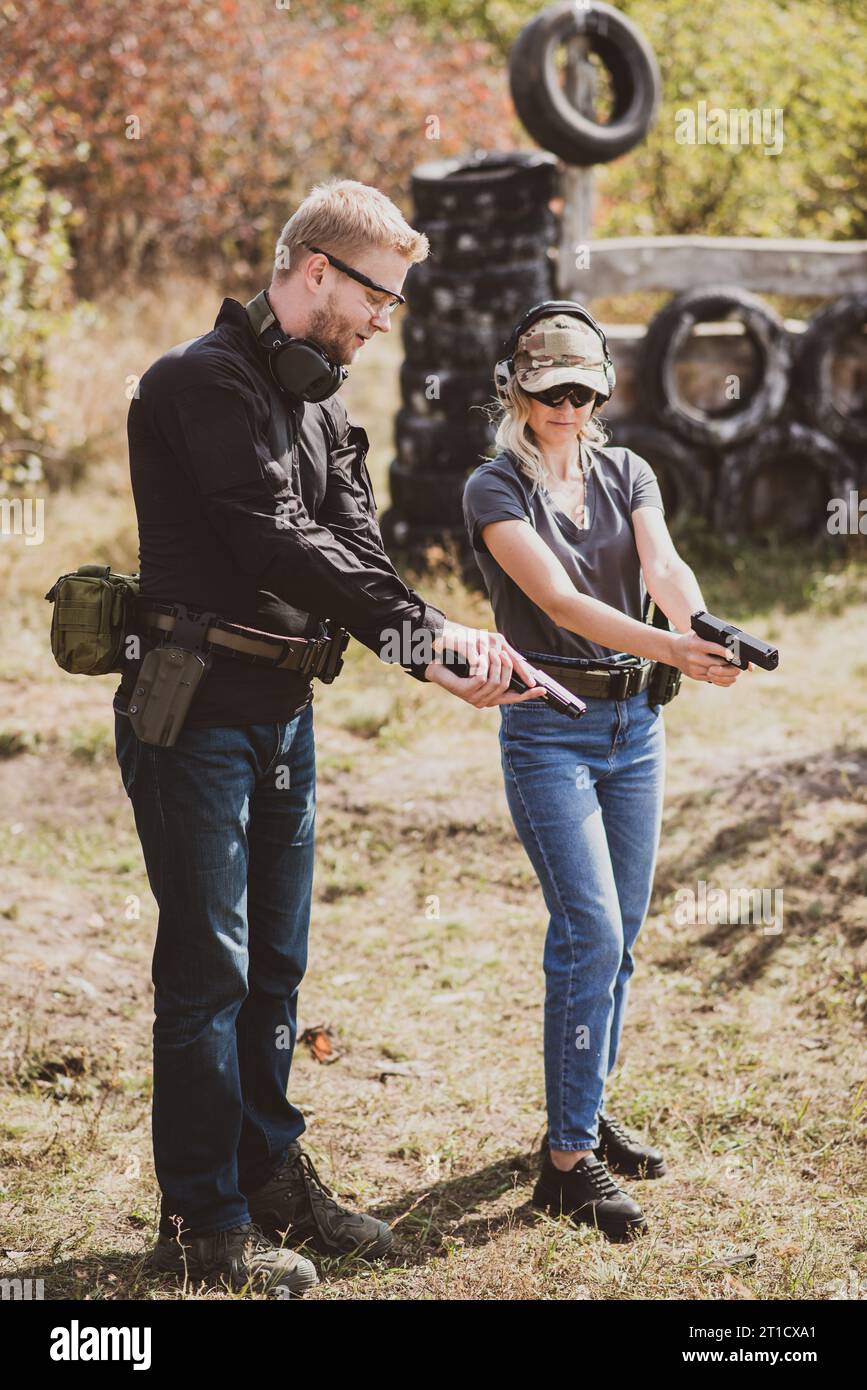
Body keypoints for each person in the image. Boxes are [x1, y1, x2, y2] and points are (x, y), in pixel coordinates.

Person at [113, 178, 546, 1297]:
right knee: (208, 970)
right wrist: (420, 636)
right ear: (316, 271)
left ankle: (269, 1183)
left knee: (277, 969)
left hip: (284, 719)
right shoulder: (197, 384)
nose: (387, 319)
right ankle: (201, 1225)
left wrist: (437, 647)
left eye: (398, 302)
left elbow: (356, 553)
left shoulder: (327, 406)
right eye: (380, 296)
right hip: (194, 714)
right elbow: (273, 542)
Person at [462, 302, 751, 1242]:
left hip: (637, 728)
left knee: (619, 934)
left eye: (585, 390)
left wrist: (700, 626)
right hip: (549, 729)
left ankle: (578, 1115)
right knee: (587, 928)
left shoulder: (627, 468)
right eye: (551, 390)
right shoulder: (491, 487)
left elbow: (662, 564)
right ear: (517, 386)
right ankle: (565, 1164)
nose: (569, 405)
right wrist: (673, 649)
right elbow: (558, 599)